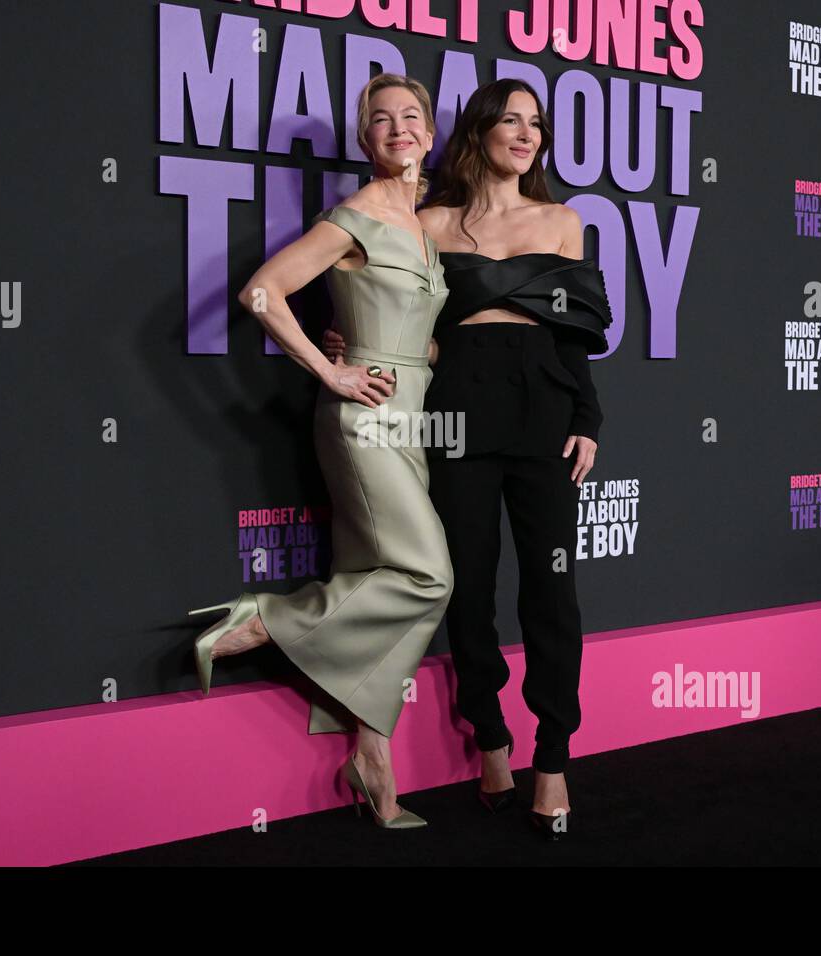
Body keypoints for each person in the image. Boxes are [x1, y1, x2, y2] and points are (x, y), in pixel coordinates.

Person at [324, 79, 611, 840]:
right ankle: (490, 739)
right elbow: (393, 307)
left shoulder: (563, 221)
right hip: (453, 414)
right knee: (468, 588)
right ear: (479, 130)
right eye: (510, 120)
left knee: (553, 596)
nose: (526, 134)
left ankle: (552, 758)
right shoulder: (431, 222)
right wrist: (346, 344)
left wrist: (588, 418)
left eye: (536, 124)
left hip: (544, 416)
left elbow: (574, 338)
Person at [188, 73, 451, 830]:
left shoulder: (428, 226)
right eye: (380, 120)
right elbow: (263, 293)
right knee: (428, 575)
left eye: (411, 117)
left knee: (376, 576)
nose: (398, 128)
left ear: (430, 135)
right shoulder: (357, 215)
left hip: (413, 417)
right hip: (363, 418)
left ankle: (371, 756)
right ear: (366, 141)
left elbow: (413, 324)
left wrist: (417, 350)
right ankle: (263, 620)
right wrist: (331, 367)